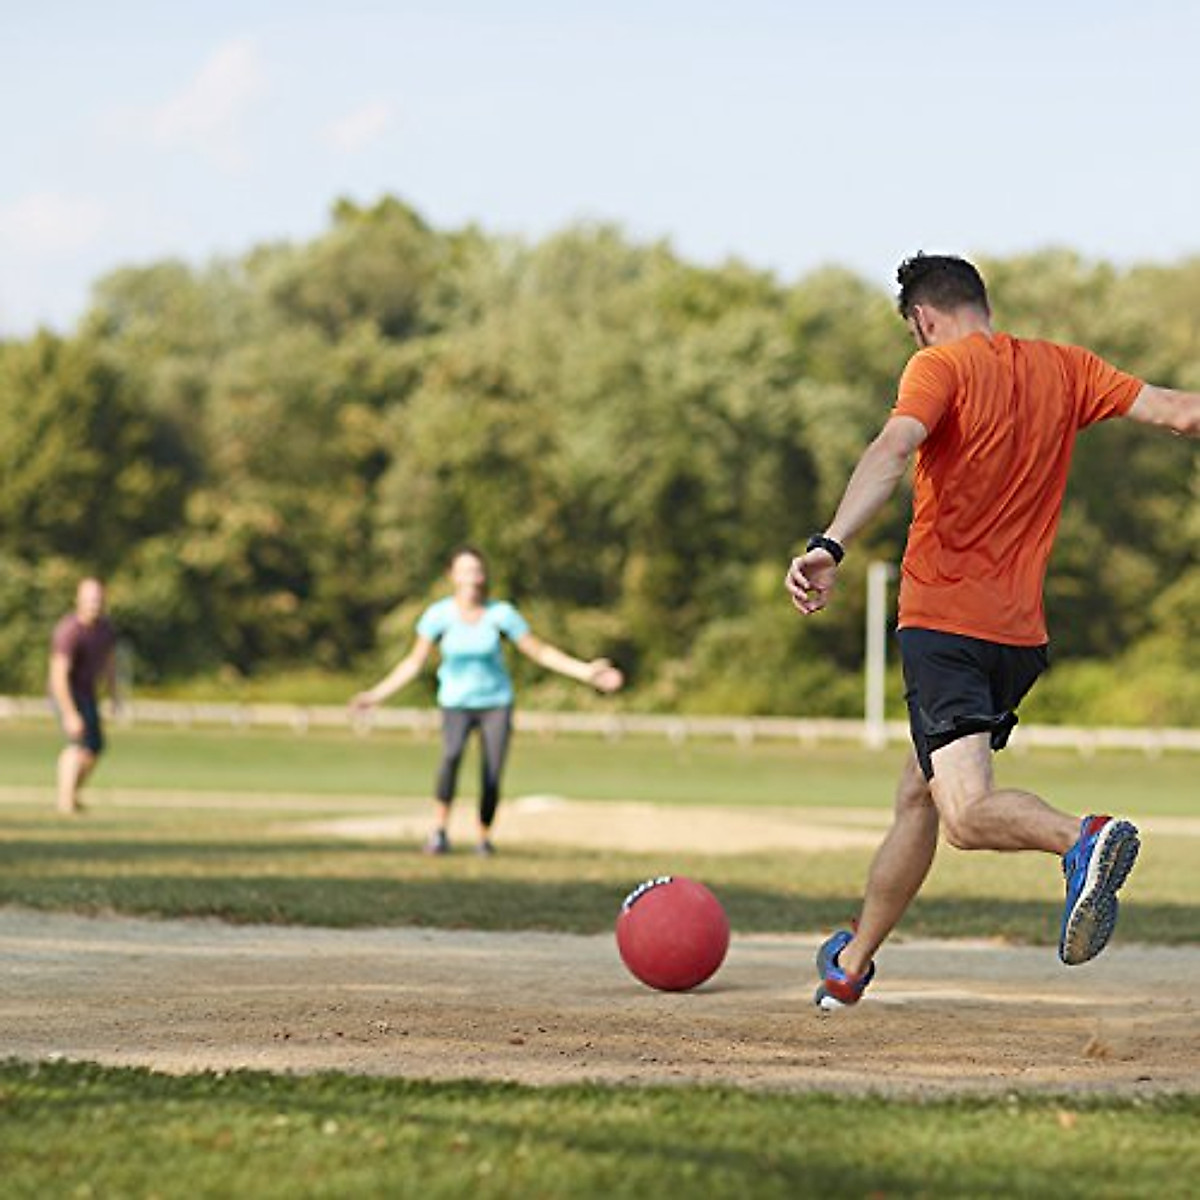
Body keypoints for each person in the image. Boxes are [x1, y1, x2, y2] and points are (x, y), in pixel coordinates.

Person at [785, 253, 1200, 1008]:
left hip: (944, 623)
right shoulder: (1065, 367)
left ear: (923, 319)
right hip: (1017, 637)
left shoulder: (938, 367)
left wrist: (830, 542)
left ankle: (1083, 838)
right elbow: (1183, 413)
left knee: (967, 815)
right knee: (921, 789)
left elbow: (893, 448)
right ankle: (852, 965)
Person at [352, 546, 624, 855]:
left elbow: (539, 651)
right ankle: (439, 832)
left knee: (492, 773)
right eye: (465, 570)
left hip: (496, 703)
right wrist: (376, 695)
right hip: (455, 702)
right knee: (451, 757)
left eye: (477, 570)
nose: (472, 577)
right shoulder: (438, 616)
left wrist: (586, 672)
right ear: (452, 576)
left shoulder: (501, 614)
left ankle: (483, 838)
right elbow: (413, 663)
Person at [48, 577, 119, 815]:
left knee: (94, 748)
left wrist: (113, 695)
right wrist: (69, 714)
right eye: (89, 599)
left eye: (98, 599)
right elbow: (58, 676)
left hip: (87, 693)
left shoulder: (105, 630)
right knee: (76, 742)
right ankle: (65, 801)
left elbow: (109, 663)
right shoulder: (69, 631)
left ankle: (72, 794)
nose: (94, 605)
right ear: (78, 600)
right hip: (65, 692)